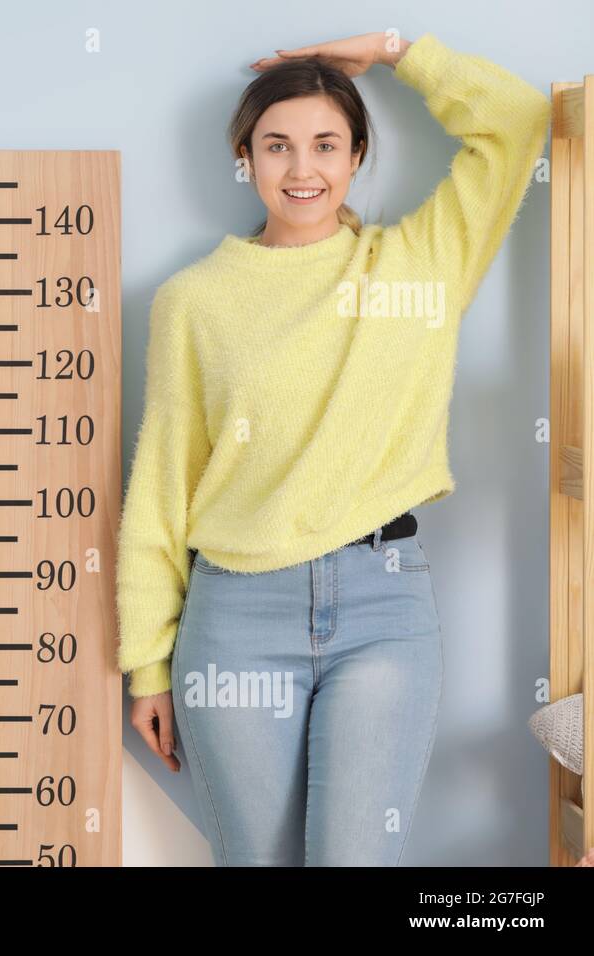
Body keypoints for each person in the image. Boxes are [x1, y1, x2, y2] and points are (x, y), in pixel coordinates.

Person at [116, 32, 550, 865]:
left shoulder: (423, 263)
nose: (301, 167)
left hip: (383, 608)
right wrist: (147, 666)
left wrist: (395, 51)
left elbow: (517, 117)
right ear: (244, 157)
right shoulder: (195, 301)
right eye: (276, 145)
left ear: (357, 156)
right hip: (235, 615)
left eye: (326, 144)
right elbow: (162, 484)